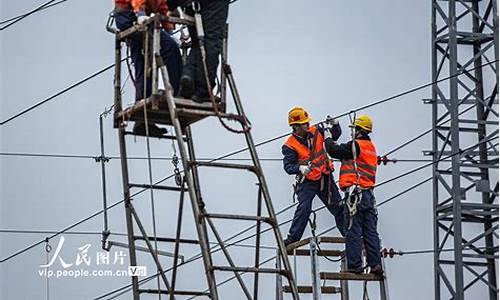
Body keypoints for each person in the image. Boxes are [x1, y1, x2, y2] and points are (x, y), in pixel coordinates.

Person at [324, 114, 383, 275]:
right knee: (370, 231)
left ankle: (355, 264)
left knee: (353, 230)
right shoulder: (370, 147)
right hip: (369, 196)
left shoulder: (356, 146)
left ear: (358, 130)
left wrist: (327, 137)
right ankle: (375, 264)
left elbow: (333, 150)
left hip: (355, 195)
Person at [114, 0, 183, 136]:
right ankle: (176, 93)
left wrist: (169, 30)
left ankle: (143, 121)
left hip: (135, 15)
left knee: (143, 61)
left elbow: (162, 6)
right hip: (130, 15)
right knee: (170, 48)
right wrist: (140, 12)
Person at [282, 107, 346, 246]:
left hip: (324, 176)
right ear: (295, 127)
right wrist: (299, 168)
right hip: (308, 181)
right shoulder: (289, 145)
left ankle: (349, 236)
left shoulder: (317, 130)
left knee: (338, 208)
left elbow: (334, 135)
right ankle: (293, 238)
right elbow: (288, 166)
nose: (307, 124)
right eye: (304, 123)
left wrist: (335, 124)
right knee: (304, 208)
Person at [168, 0, 230, 103]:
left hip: (188, 4)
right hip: (212, 4)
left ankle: (189, 76)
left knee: (197, 42)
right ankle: (203, 90)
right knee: (211, 42)